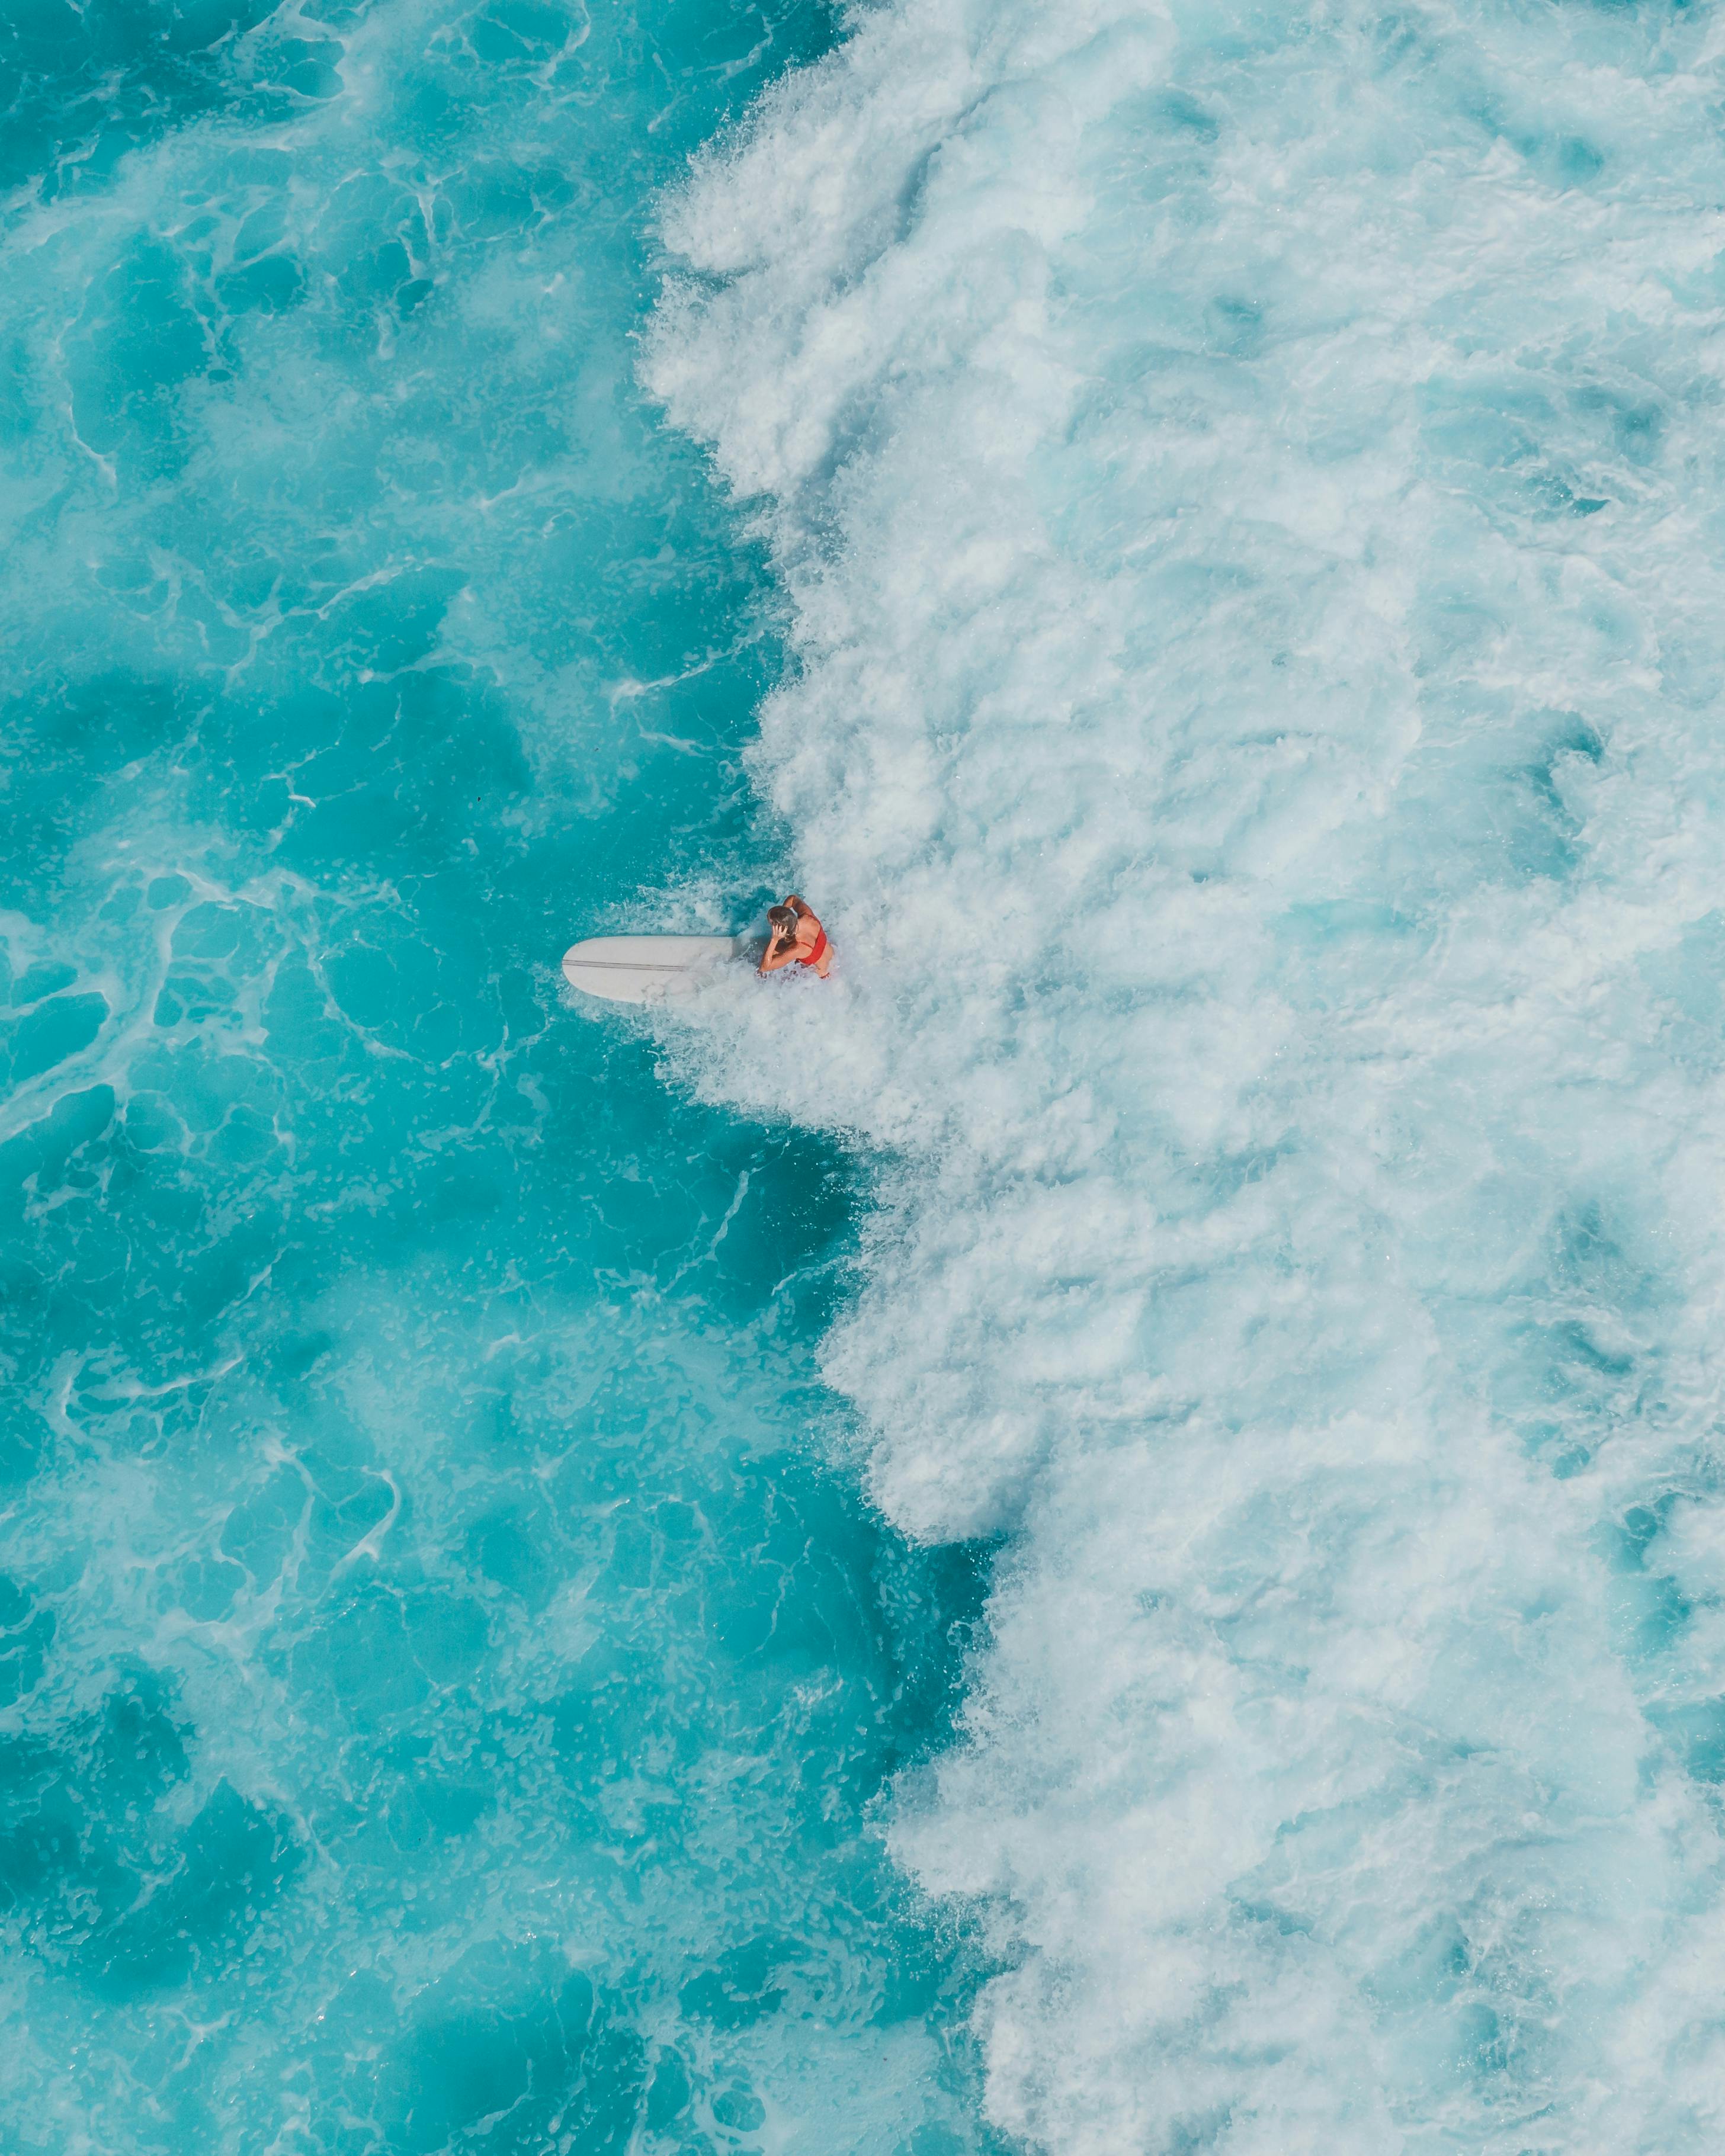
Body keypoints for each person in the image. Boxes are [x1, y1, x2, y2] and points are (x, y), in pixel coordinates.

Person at [758, 894, 833, 978]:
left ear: (780, 928)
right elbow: (793, 899)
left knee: (760, 971)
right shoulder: (808, 916)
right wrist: (783, 914)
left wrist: (774, 940)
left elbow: (764, 968)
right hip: (834, 956)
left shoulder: (798, 948)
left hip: (823, 977)